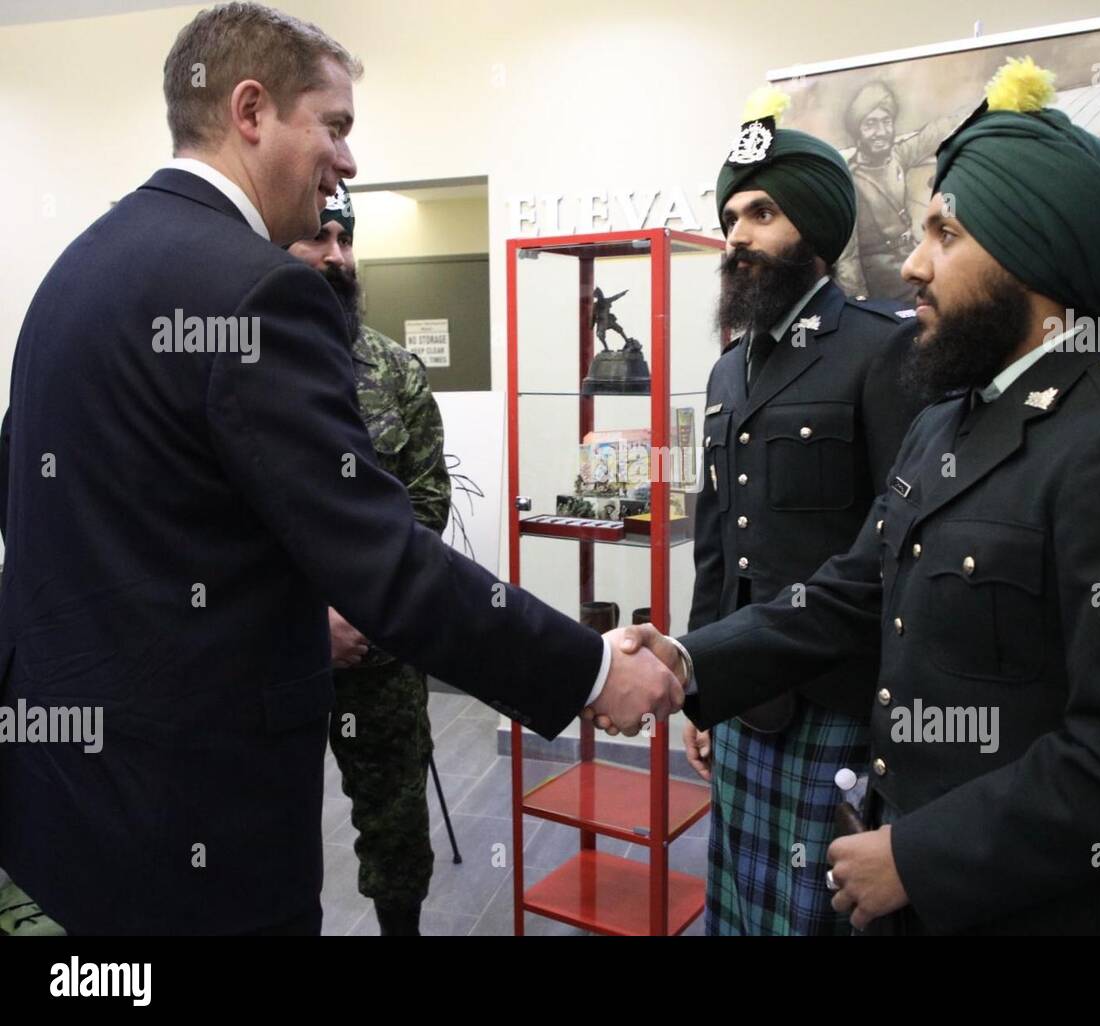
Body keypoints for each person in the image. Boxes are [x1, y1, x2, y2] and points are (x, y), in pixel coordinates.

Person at [0, 1, 678, 936]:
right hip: (197, 821)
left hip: (69, 811)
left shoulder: (74, 272)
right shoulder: (255, 289)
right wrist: (594, 666)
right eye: (336, 124)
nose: (349, 160)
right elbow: (385, 560)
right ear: (251, 111)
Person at [614, 57, 1100, 936]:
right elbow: (847, 593)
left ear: (1033, 259)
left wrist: (922, 856)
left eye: (944, 235)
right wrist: (688, 661)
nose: (911, 265)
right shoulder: (946, 425)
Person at [685, 87, 921, 935]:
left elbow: (901, 546)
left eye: (763, 213)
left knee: (811, 916)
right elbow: (717, 541)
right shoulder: (725, 373)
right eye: (732, 216)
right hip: (744, 690)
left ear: (813, 231)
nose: (739, 235)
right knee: (739, 905)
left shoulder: (880, 348)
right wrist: (699, 678)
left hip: (836, 701)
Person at [288, 182, 450, 936]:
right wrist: (306, 619)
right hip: (269, 654)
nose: (336, 256)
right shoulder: (238, 364)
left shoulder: (394, 371)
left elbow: (426, 505)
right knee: (266, 828)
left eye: (346, 240)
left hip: (380, 650)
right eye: (319, 237)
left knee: (393, 822)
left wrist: (357, 612)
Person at [835, 81, 960, 302]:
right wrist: (859, 305)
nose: (881, 132)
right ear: (857, 131)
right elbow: (848, 257)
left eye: (886, 122)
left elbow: (930, 135)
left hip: (911, 257)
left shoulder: (896, 157)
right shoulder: (849, 181)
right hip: (883, 279)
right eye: (870, 124)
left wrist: (987, 108)